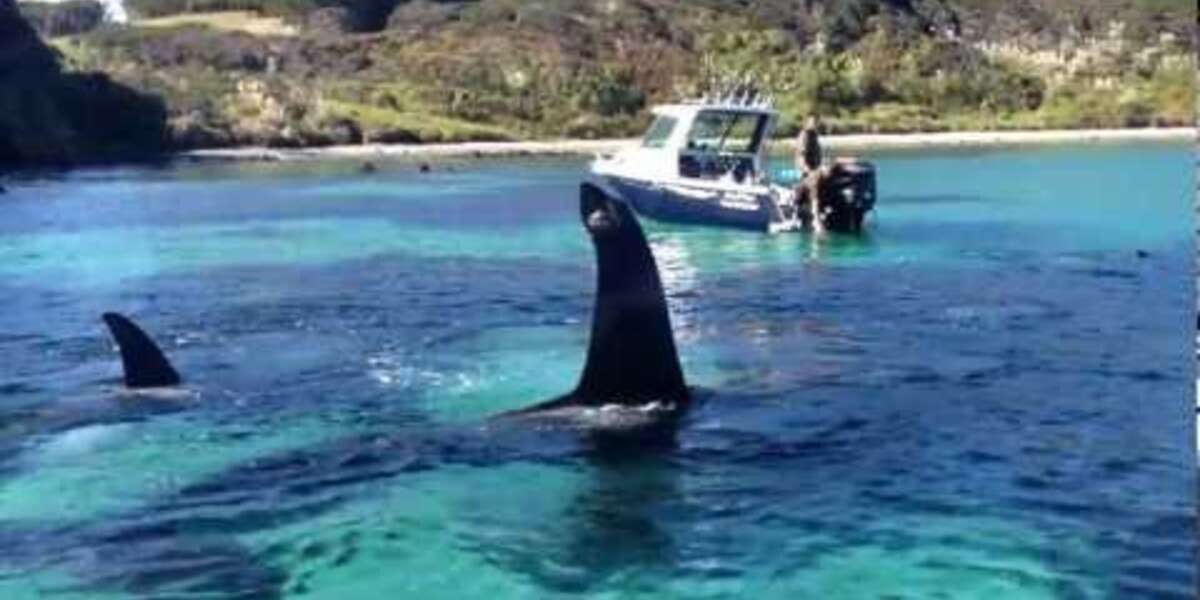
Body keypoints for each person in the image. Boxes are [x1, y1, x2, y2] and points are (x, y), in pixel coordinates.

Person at [795, 115, 828, 233]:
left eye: (815, 123)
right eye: (812, 123)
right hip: (807, 172)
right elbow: (800, 158)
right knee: (813, 183)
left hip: (816, 169)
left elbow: (819, 156)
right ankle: (815, 218)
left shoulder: (814, 136)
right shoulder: (803, 137)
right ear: (806, 124)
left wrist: (822, 167)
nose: (814, 125)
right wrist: (808, 171)